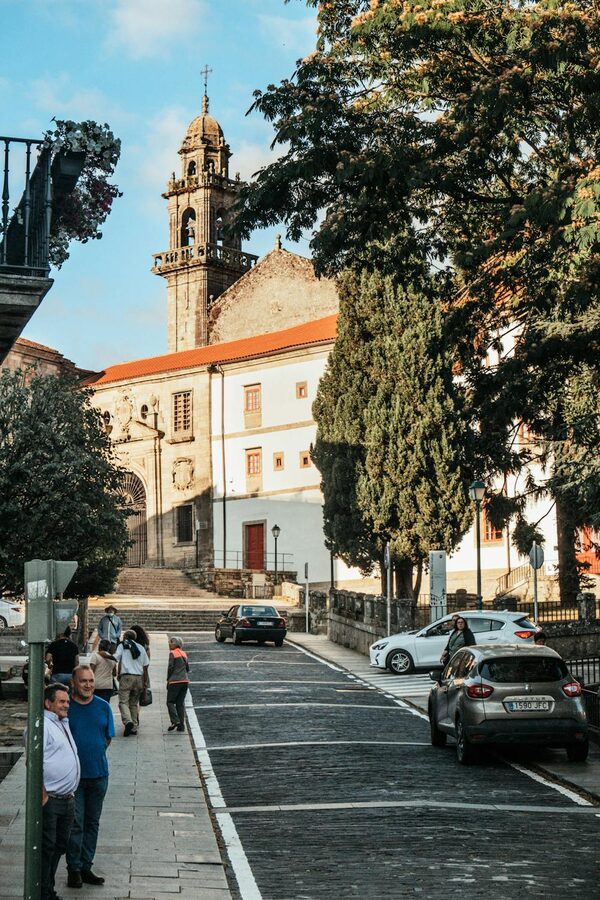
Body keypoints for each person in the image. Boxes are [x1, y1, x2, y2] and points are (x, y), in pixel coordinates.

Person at [65, 666, 114, 889]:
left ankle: (86, 865)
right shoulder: (66, 708)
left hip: (99, 775)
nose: (88, 685)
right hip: (74, 779)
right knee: (76, 824)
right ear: (74, 683)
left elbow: (107, 738)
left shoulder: (103, 707)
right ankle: (73, 868)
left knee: (92, 823)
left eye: (91, 681)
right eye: (83, 681)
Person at [41, 683, 81, 900]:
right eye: (61, 701)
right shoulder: (42, 726)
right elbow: (34, 763)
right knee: (47, 847)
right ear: (48, 703)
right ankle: (43, 891)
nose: (66, 705)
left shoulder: (61, 723)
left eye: (67, 701)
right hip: (51, 799)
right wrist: (42, 794)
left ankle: (48, 888)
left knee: (59, 846)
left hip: (67, 799)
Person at [114, 630, 149, 736]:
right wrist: (145, 681)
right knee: (133, 703)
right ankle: (134, 726)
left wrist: (106, 655)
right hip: (139, 678)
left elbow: (116, 657)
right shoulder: (141, 648)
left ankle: (128, 721)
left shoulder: (123, 646)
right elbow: (146, 666)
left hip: (127, 677)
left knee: (123, 702)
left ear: (125, 637)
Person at [166, 636, 190, 733]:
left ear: (175, 644)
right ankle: (181, 726)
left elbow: (170, 668)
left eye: (171, 642)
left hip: (175, 681)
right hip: (185, 681)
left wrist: (168, 679)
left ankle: (175, 721)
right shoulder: (184, 653)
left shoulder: (172, 653)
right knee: (180, 703)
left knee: (170, 702)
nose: (169, 644)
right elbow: (187, 668)